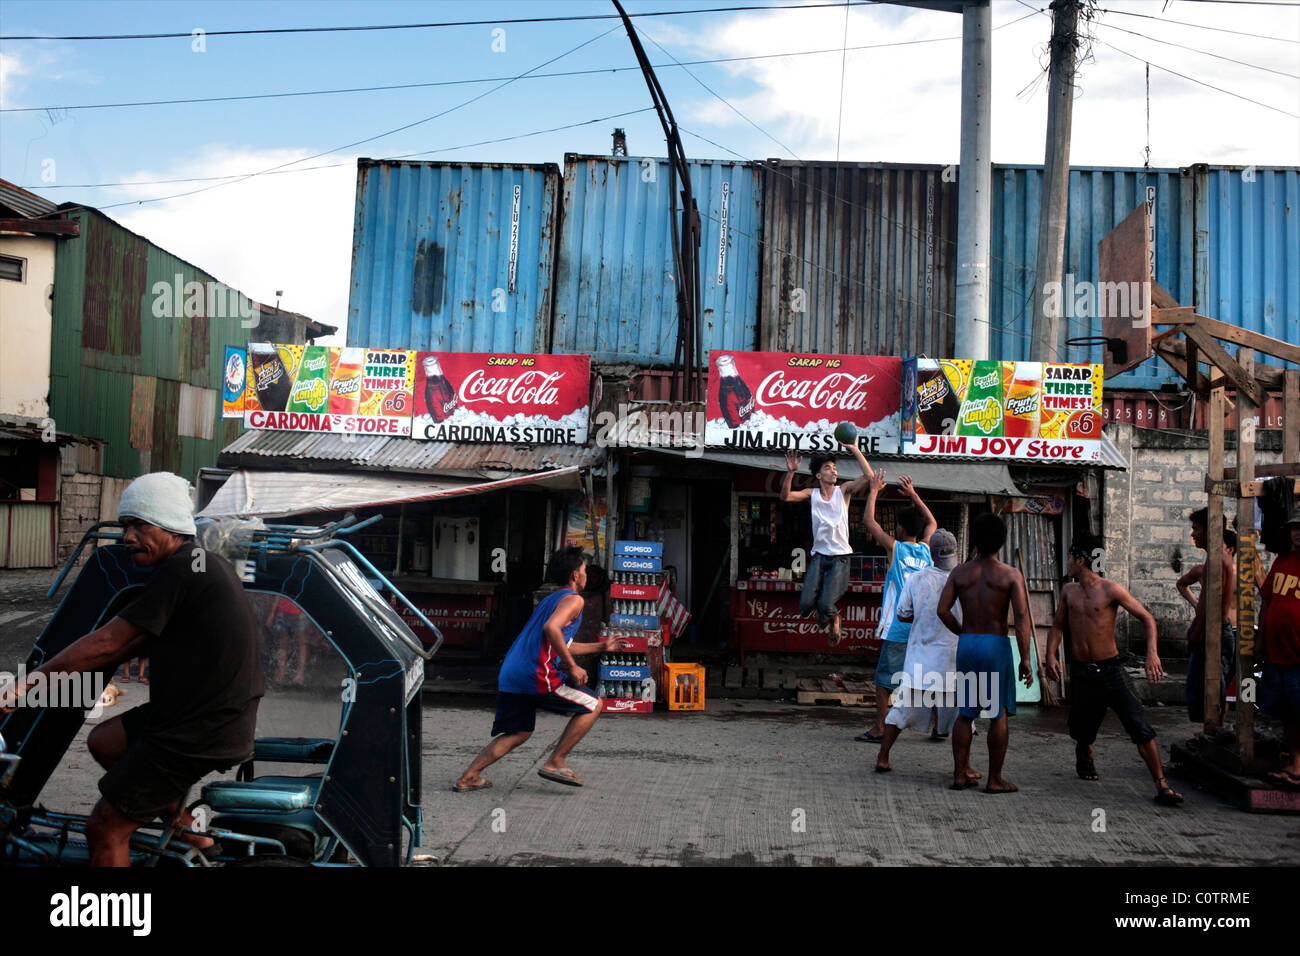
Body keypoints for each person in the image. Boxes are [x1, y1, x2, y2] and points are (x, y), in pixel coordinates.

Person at [0, 472, 263, 866]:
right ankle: (196, 836)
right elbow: (124, 647)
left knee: (105, 827)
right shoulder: (197, 565)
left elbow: (108, 643)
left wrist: (22, 688)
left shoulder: (181, 569)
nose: (128, 537)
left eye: (140, 525)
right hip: (202, 717)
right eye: (125, 526)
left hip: (197, 728)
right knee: (105, 741)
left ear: (171, 524)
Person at [455, 547, 626, 792]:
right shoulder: (574, 600)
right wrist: (573, 667)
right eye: (584, 570)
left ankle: (470, 776)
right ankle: (555, 761)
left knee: (519, 731)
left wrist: (602, 646)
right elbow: (552, 629)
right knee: (594, 704)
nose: (586, 575)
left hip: (512, 672)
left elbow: (561, 642)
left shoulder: (551, 599)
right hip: (535, 674)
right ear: (575, 576)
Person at [1044, 535, 1183, 806]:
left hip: (1112, 670)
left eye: (1071, 558)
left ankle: (1162, 785)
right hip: (1083, 672)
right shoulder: (1068, 591)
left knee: (1139, 727)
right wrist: (1050, 655)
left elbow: (1147, 618)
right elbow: (1059, 625)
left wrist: (1152, 653)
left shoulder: (1111, 590)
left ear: (1081, 560)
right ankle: (1085, 758)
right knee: (1081, 732)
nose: (1068, 563)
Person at [937, 513, 1033, 793]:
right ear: (1001, 542)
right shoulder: (1010, 574)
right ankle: (994, 779)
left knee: (966, 712)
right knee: (997, 712)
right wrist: (1025, 658)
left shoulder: (960, 572)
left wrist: (962, 632)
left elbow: (942, 610)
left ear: (975, 541)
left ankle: (959, 774)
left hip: (968, 643)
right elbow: (1022, 617)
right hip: (995, 645)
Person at [875, 529, 975, 777]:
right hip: (953, 660)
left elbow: (901, 614)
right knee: (964, 719)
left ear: (931, 553)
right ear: (955, 551)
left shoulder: (917, 579)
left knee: (900, 712)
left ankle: (883, 757)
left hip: (920, 660)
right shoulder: (966, 579)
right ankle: (963, 767)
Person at [855, 470, 936, 742]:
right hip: (923, 629)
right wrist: (914, 495)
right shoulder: (926, 550)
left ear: (900, 528)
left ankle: (880, 727)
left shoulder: (895, 549)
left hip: (899, 629)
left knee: (884, 680)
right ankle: (939, 726)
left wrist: (875, 489)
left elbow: (868, 521)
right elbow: (933, 523)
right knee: (928, 677)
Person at [781, 439, 875, 645]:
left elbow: (869, 477)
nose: (834, 472)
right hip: (819, 557)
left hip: (840, 558)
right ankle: (828, 614)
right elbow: (786, 496)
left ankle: (833, 616)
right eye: (828, 468)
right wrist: (791, 472)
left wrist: (855, 449)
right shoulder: (812, 494)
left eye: (834, 468)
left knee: (824, 604)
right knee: (805, 607)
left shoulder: (844, 491)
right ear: (818, 475)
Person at [1182, 507, 1237, 726]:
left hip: (1214, 631)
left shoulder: (1218, 561)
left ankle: (1215, 733)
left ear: (1210, 530)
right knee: (1204, 689)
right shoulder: (1213, 560)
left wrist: (1198, 631)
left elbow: (1211, 605)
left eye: (1196, 529)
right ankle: (1211, 733)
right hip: (1210, 629)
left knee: (1211, 689)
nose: (1193, 534)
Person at [1259, 510, 1300, 789]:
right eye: (1294, 529)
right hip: (1277, 651)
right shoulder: (1282, 561)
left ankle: (1298, 767)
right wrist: (1260, 638)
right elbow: (1266, 601)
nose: (1297, 533)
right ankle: (1294, 762)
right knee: (1286, 711)